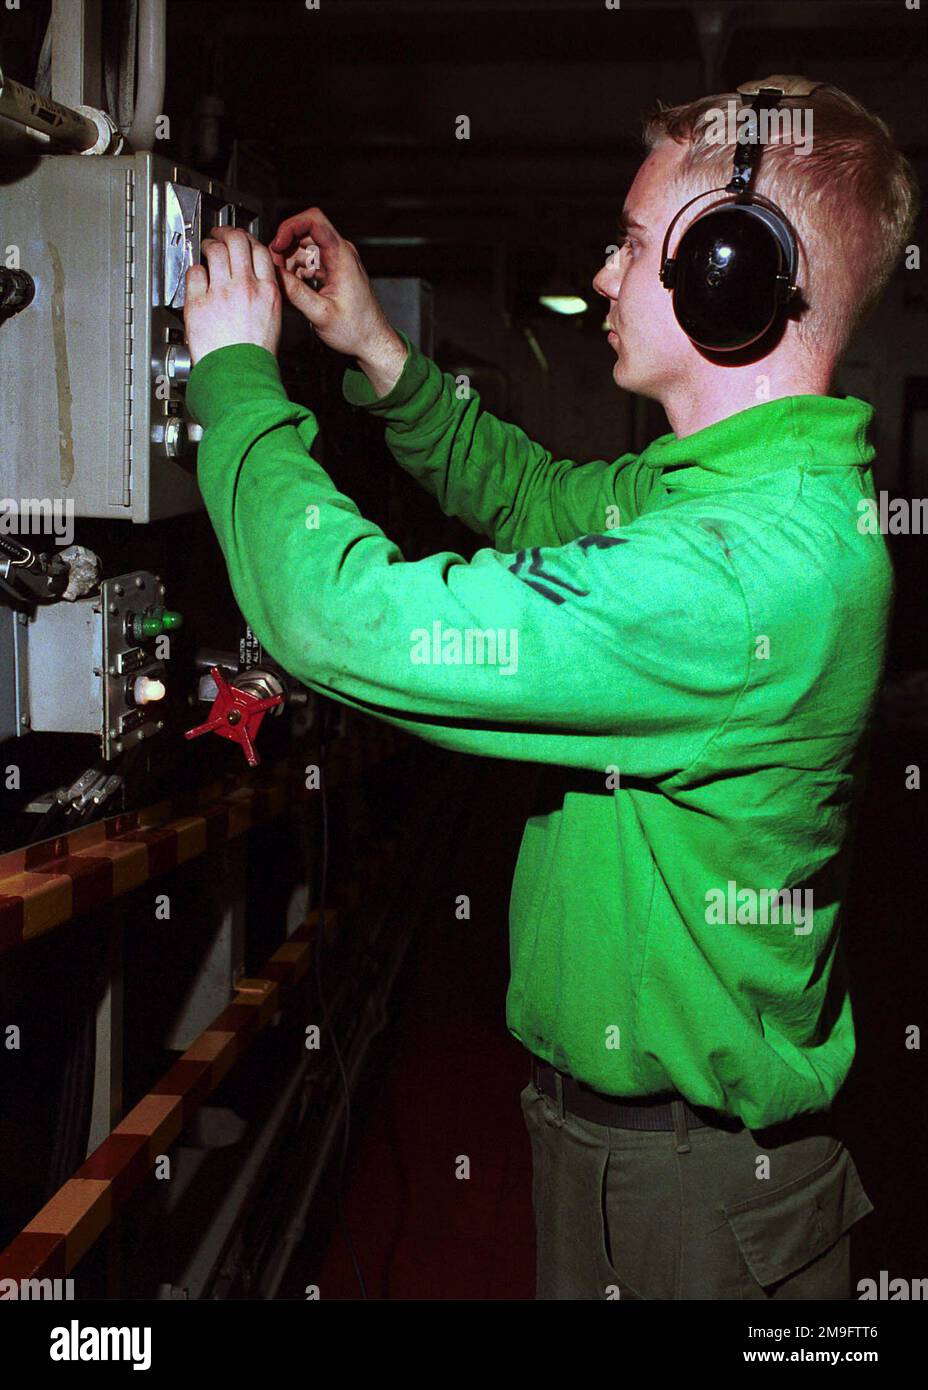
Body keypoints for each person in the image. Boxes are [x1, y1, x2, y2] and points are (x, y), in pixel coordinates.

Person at [183, 76, 917, 1301]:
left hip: (690, 1200)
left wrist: (235, 385)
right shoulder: (718, 492)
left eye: (634, 245)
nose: (609, 275)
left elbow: (335, 620)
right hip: (621, 1154)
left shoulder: (740, 574)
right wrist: (373, 349)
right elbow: (529, 499)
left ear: (730, 271)